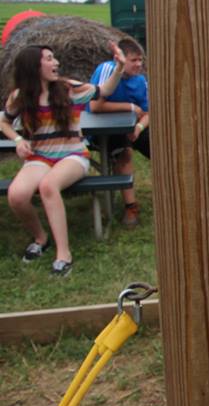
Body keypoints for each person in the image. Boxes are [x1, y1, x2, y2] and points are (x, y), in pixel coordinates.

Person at [1, 43, 127, 276]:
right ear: (33, 66)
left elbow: (104, 90)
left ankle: (63, 254)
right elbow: (4, 122)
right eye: (49, 59)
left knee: (48, 186)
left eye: (54, 58)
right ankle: (41, 237)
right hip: (40, 157)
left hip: (73, 155)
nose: (56, 63)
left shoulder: (69, 89)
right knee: (17, 196)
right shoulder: (19, 97)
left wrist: (119, 66)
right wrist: (18, 141)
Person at [88, 37, 150, 227]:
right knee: (124, 153)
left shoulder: (140, 80)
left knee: (162, 146)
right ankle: (130, 207)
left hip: (131, 128)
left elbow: (147, 112)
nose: (139, 64)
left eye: (141, 60)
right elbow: (95, 106)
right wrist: (129, 107)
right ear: (120, 59)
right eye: (134, 60)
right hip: (103, 130)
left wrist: (139, 128)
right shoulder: (107, 69)